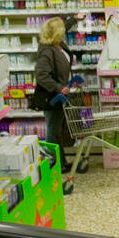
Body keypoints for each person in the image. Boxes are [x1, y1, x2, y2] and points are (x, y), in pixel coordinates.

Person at [32, 16, 78, 172]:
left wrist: (74, 19)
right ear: (57, 34)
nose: (64, 32)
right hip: (52, 98)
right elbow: (41, 75)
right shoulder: (47, 51)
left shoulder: (58, 44)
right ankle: (52, 165)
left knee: (58, 130)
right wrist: (59, 87)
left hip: (61, 96)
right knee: (53, 131)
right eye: (62, 31)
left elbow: (62, 25)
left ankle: (62, 163)